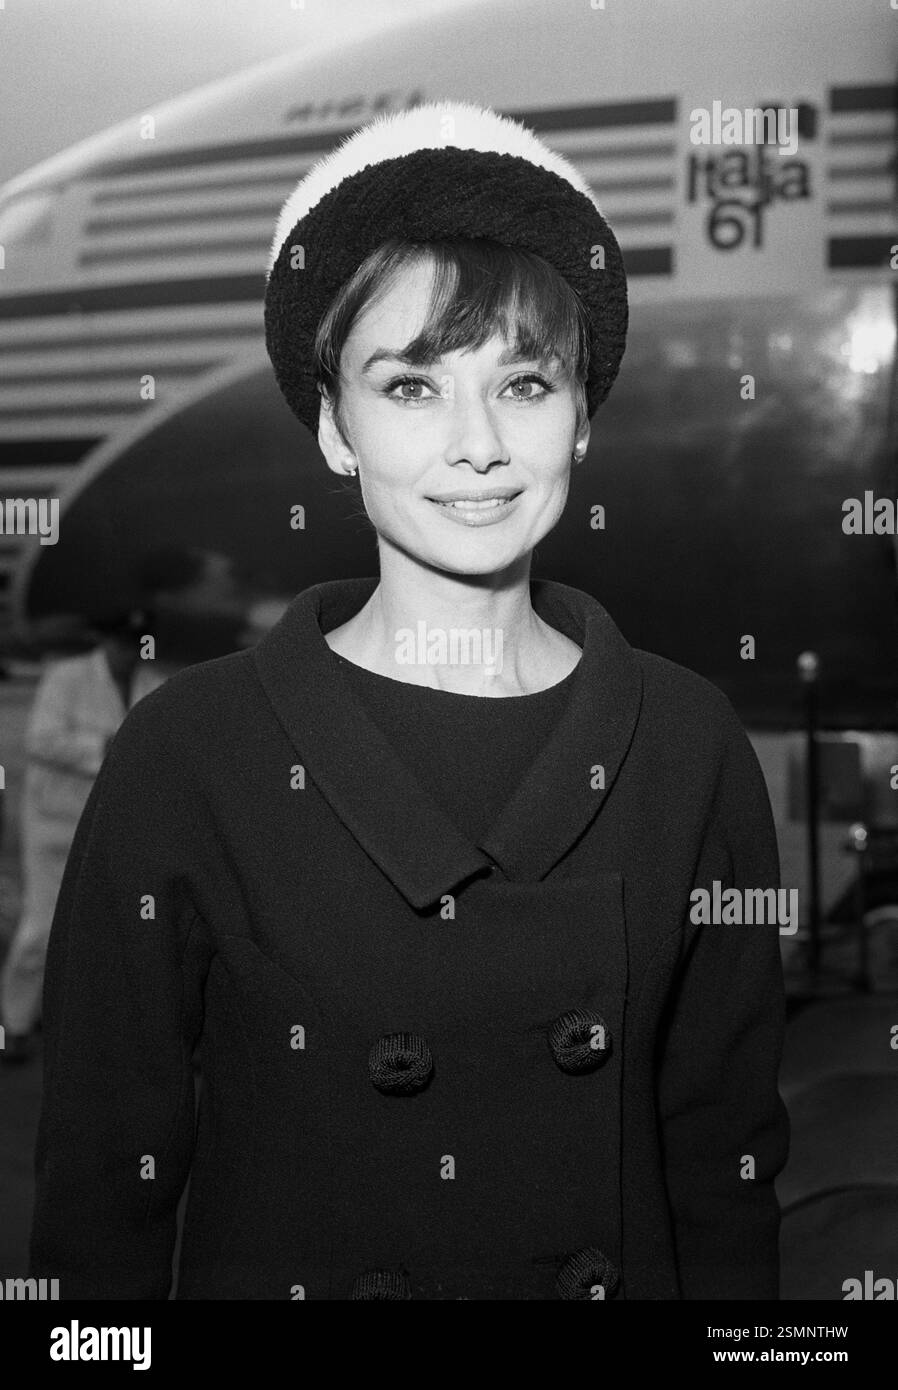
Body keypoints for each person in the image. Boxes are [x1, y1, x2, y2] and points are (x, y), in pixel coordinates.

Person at [28, 100, 789, 1299]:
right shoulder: (191, 753)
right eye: (412, 387)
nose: (477, 445)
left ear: (581, 415)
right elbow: (98, 1198)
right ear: (334, 426)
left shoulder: (686, 743)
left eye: (526, 382)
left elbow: (724, 1172)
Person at [0, 612, 164, 1064]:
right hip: (54, 822)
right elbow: (40, 739)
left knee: (113, 929)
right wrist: (104, 745)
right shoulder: (67, 678)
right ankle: (13, 1024)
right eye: (123, 643)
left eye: (138, 644)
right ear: (106, 642)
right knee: (42, 927)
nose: (129, 653)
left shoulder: (153, 681)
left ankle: (90, 1029)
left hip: (114, 821)